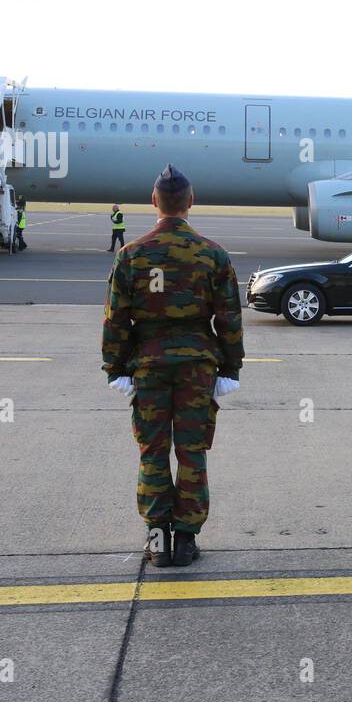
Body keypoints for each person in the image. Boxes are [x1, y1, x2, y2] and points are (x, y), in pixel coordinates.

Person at [102, 165, 245, 568]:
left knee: (152, 451)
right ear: (191, 203)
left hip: (148, 365)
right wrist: (231, 369)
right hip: (198, 367)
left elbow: (116, 319)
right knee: (192, 452)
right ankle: (185, 540)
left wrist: (115, 369)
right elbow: (229, 317)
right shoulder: (213, 254)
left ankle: (157, 540)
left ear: (154, 202)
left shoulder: (131, 255)